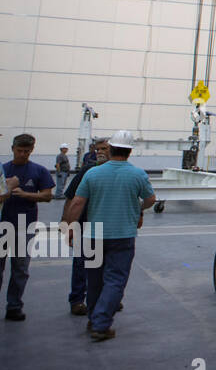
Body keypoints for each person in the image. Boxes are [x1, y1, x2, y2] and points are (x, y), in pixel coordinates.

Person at [63, 131, 155, 341]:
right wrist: (138, 208)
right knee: (115, 279)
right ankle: (101, 324)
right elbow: (150, 199)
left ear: (111, 148)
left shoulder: (93, 174)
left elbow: (77, 202)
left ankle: (94, 318)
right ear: (130, 151)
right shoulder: (138, 175)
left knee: (94, 279)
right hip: (122, 236)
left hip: (93, 235)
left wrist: (69, 228)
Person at [1, 133, 55, 321]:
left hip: (25, 226)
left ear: (32, 150)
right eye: (19, 151)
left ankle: (14, 306)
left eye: (26, 151)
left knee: (20, 268)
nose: (23, 154)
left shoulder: (39, 171)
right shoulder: (3, 170)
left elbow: (47, 195)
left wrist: (25, 194)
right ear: (12, 149)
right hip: (2, 225)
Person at [61, 137, 109, 315]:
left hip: (108, 227)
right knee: (81, 264)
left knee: (106, 265)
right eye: (98, 149)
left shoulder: (119, 172)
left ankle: (106, 298)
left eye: (104, 148)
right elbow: (71, 197)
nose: (100, 152)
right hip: (84, 225)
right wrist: (66, 223)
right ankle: (77, 300)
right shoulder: (87, 171)